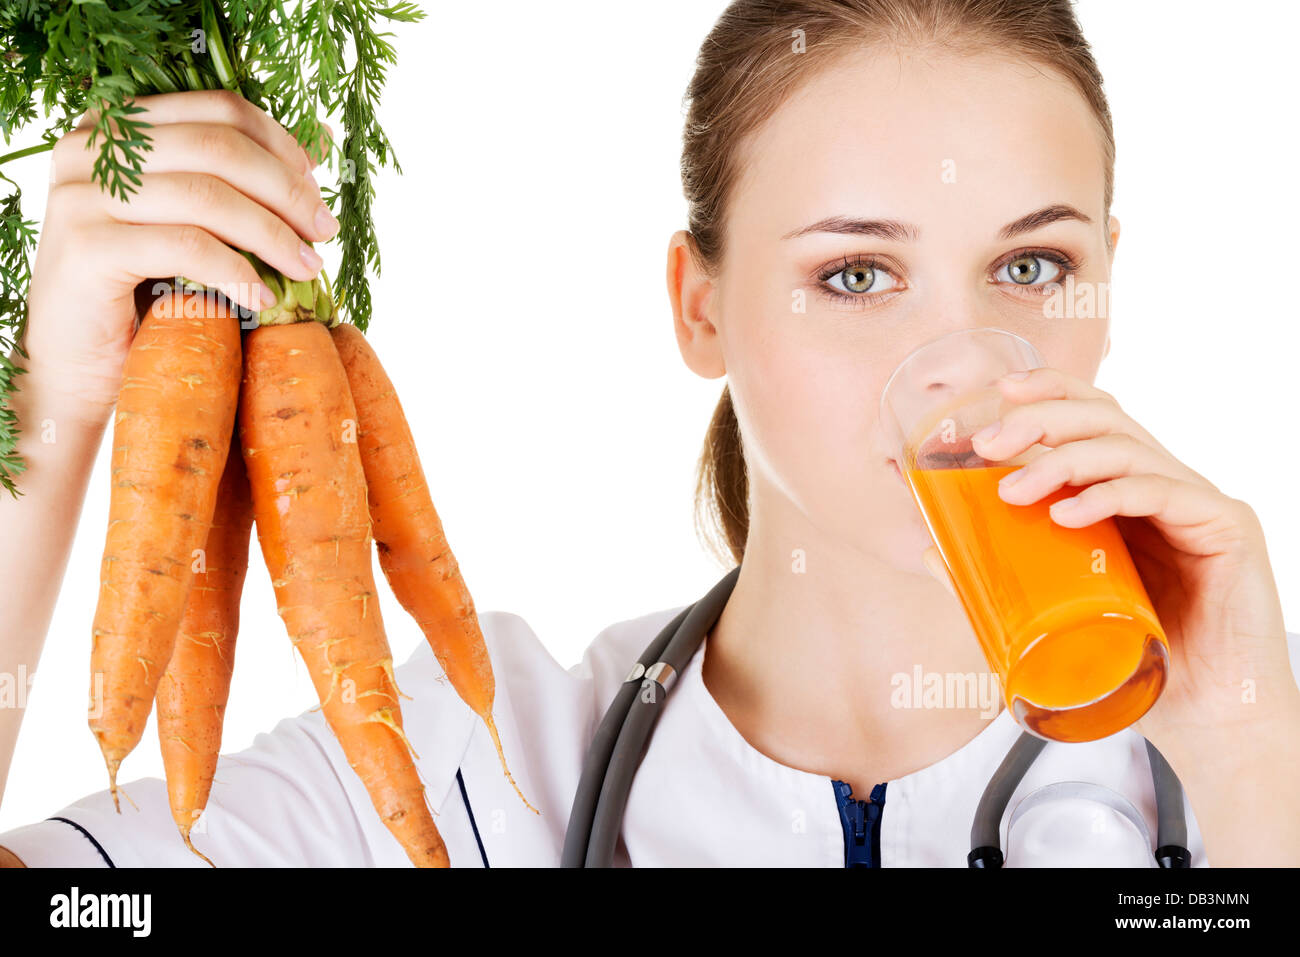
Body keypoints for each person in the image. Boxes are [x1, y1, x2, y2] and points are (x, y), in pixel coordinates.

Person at [1, 0, 1297, 868]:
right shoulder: (472, 768)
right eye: (855, 273)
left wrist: (1249, 762)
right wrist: (52, 403)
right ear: (702, 307)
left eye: (1030, 266)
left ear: (1104, 283)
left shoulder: (1245, 770)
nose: (955, 376)